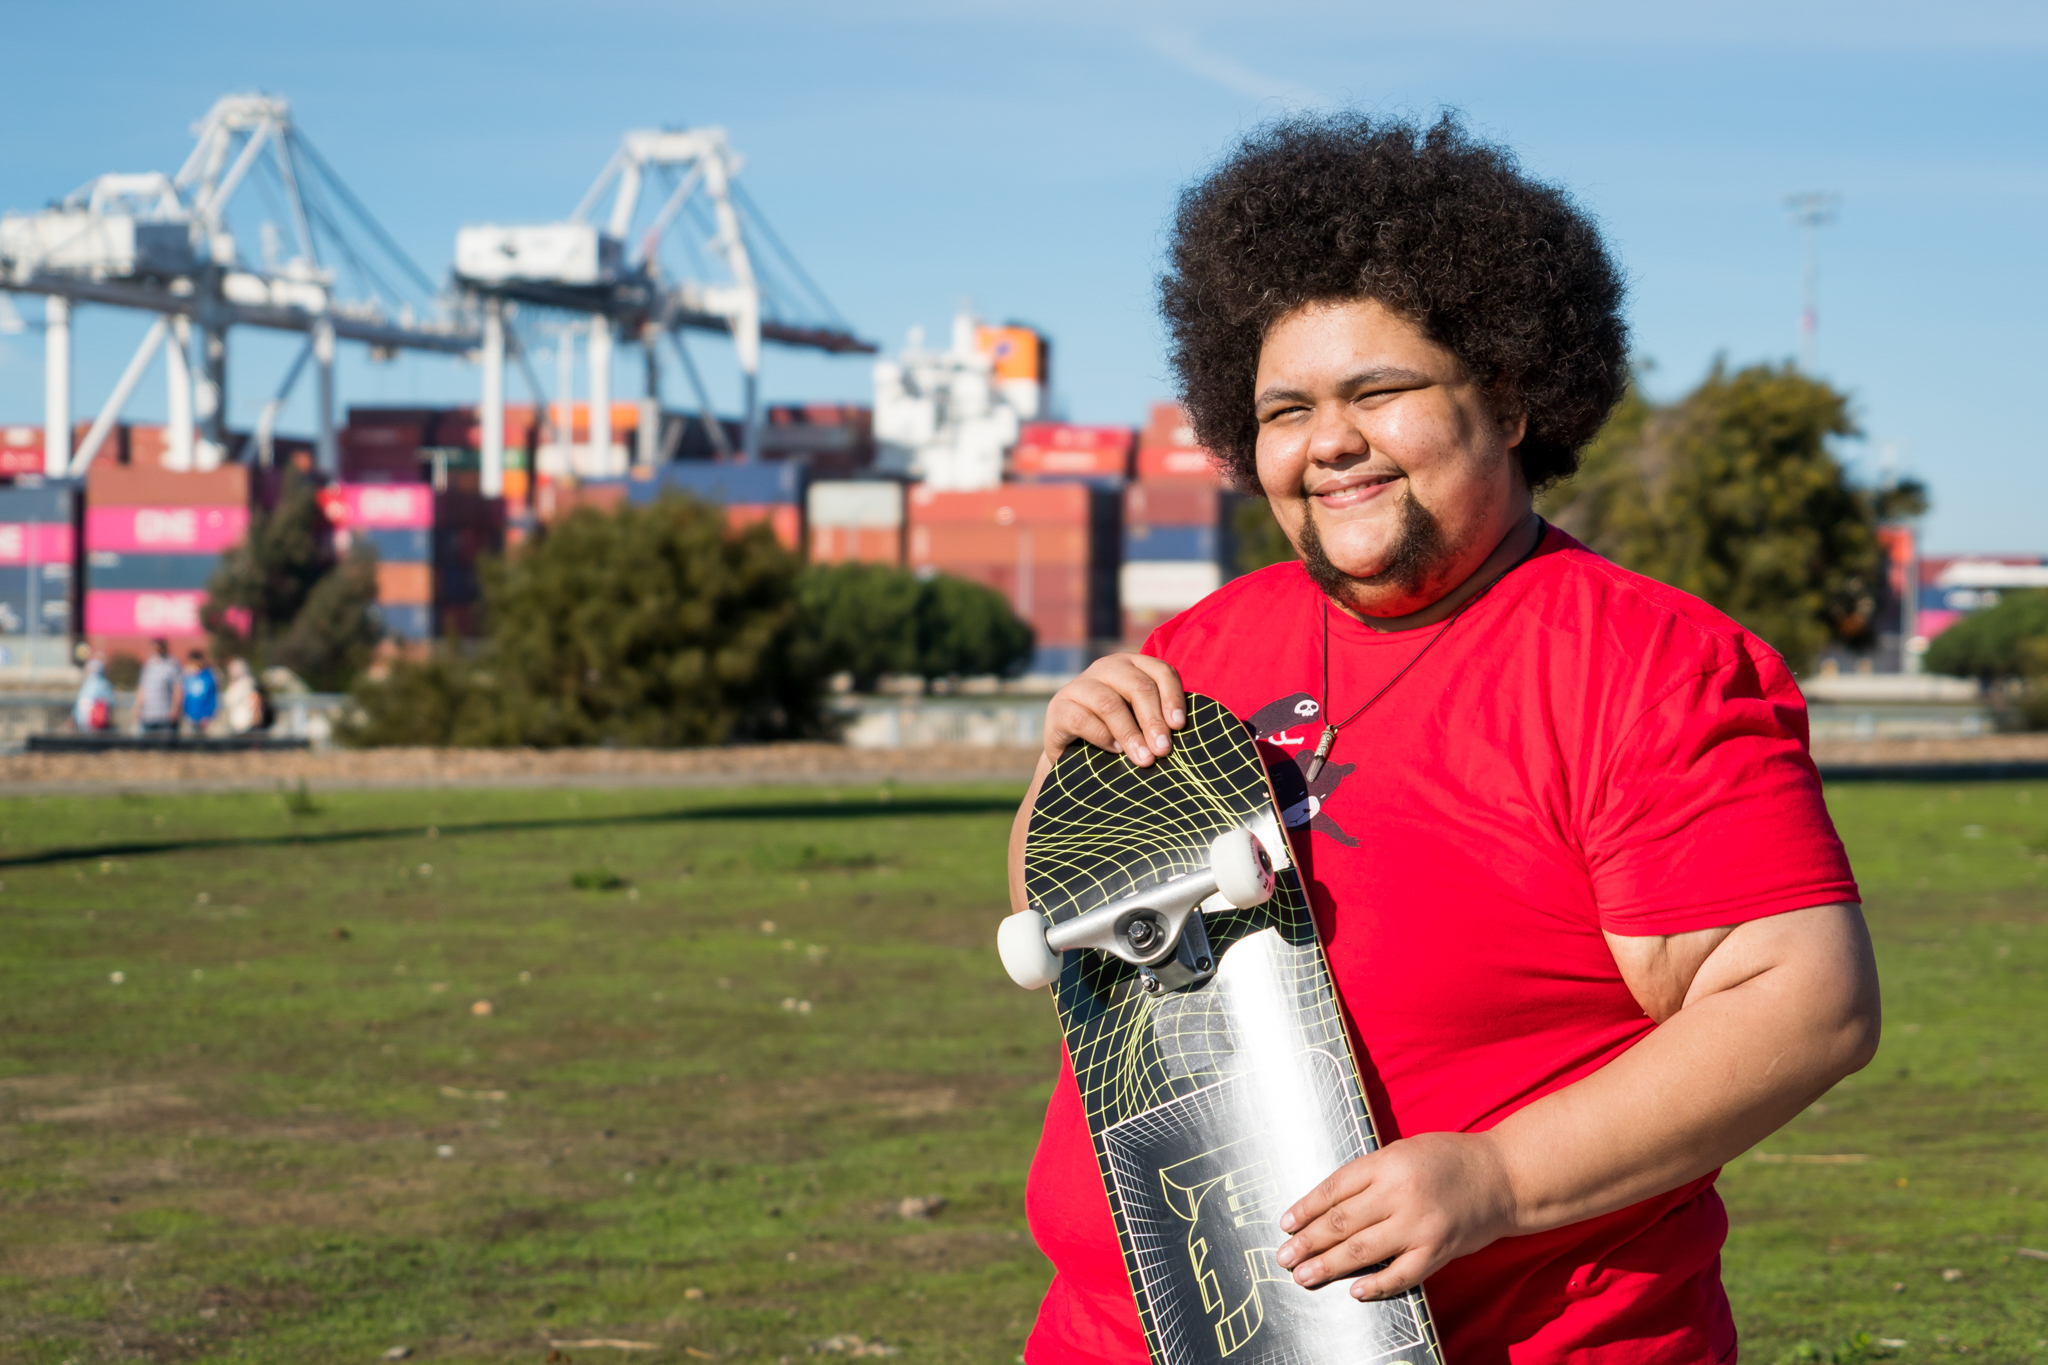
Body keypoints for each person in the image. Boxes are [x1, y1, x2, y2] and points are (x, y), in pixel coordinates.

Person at [1009, 113, 1880, 1365]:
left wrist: (1497, 1181)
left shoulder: (1642, 666)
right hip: (1116, 1331)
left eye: (1381, 391)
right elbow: (1064, 933)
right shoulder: (1199, 645)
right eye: (1285, 409)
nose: (1328, 444)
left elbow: (1805, 1004)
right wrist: (1064, 787)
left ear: (1512, 398)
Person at [135, 639, 182, 737]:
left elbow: (178, 689)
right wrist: (138, 708)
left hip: (165, 715)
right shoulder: (148, 665)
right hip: (149, 715)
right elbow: (143, 689)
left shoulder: (172, 665)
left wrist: (175, 709)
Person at [221, 657, 269, 734]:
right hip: (235, 724)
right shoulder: (233, 686)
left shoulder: (247, 684)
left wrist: (256, 719)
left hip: (246, 723)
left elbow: (255, 701)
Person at [181, 649, 220, 736]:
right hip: (190, 714)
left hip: (205, 715)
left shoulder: (209, 675)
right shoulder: (187, 676)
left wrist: (210, 713)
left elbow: (213, 695)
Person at [72, 655, 115, 733]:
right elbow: (109, 703)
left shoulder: (87, 684)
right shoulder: (103, 684)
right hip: (94, 723)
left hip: (86, 722)